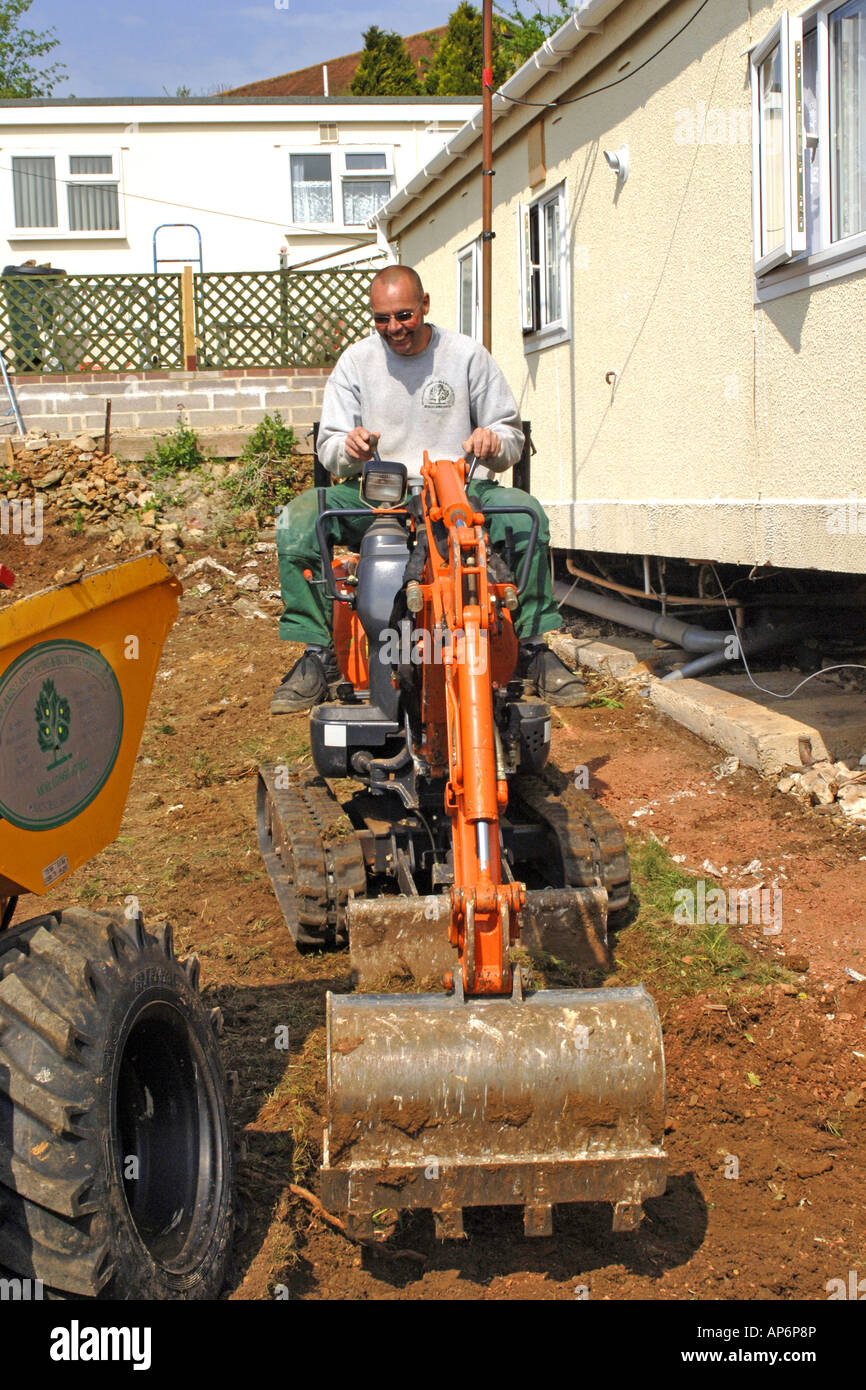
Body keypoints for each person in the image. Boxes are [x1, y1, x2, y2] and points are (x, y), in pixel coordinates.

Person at [272, 264, 587, 713]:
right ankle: (317, 655)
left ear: (424, 305)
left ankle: (533, 648)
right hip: (380, 492)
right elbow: (330, 448)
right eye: (382, 319)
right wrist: (351, 448)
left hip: (462, 489)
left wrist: (493, 440)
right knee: (299, 520)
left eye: (403, 315)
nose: (393, 328)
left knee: (525, 514)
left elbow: (511, 436)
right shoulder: (357, 362)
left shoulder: (466, 356)